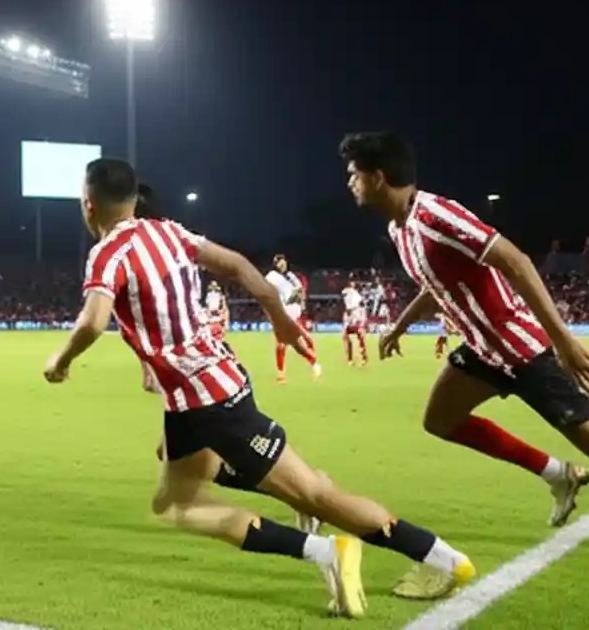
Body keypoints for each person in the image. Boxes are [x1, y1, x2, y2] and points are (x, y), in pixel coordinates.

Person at [44, 159, 475, 617]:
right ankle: (316, 530)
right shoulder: (169, 232)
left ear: (88, 205)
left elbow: (92, 321)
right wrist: (281, 318)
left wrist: (61, 360)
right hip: (215, 386)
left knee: (280, 498)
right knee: (175, 479)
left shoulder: (108, 253)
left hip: (206, 403)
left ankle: (425, 558)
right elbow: (237, 266)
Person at [340, 131, 589, 527]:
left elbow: (517, 261)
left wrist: (563, 341)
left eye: (354, 173)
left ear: (377, 177)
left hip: (523, 351)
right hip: (483, 352)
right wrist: (399, 327)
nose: (349, 182)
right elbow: (437, 282)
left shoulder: (436, 215)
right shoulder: (399, 228)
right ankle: (558, 476)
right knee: (440, 420)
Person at [265, 255, 322, 384]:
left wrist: (299, 299)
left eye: (283, 262)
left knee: (294, 343)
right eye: (279, 263)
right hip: (281, 314)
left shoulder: (291, 277)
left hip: (293, 314)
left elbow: (300, 291)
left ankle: (313, 363)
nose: (282, 265)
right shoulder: (271, 277)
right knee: (285, 343)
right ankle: (283, 373)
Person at [341, 281, 369, 366]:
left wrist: (360, 319)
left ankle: (363, 357)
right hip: (351, 316)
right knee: (346, 337)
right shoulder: (349, 293)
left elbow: (360, 307)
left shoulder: (356, 296)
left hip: (357, 316)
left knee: (359, 336)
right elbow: (344, 293)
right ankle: (351, 358)